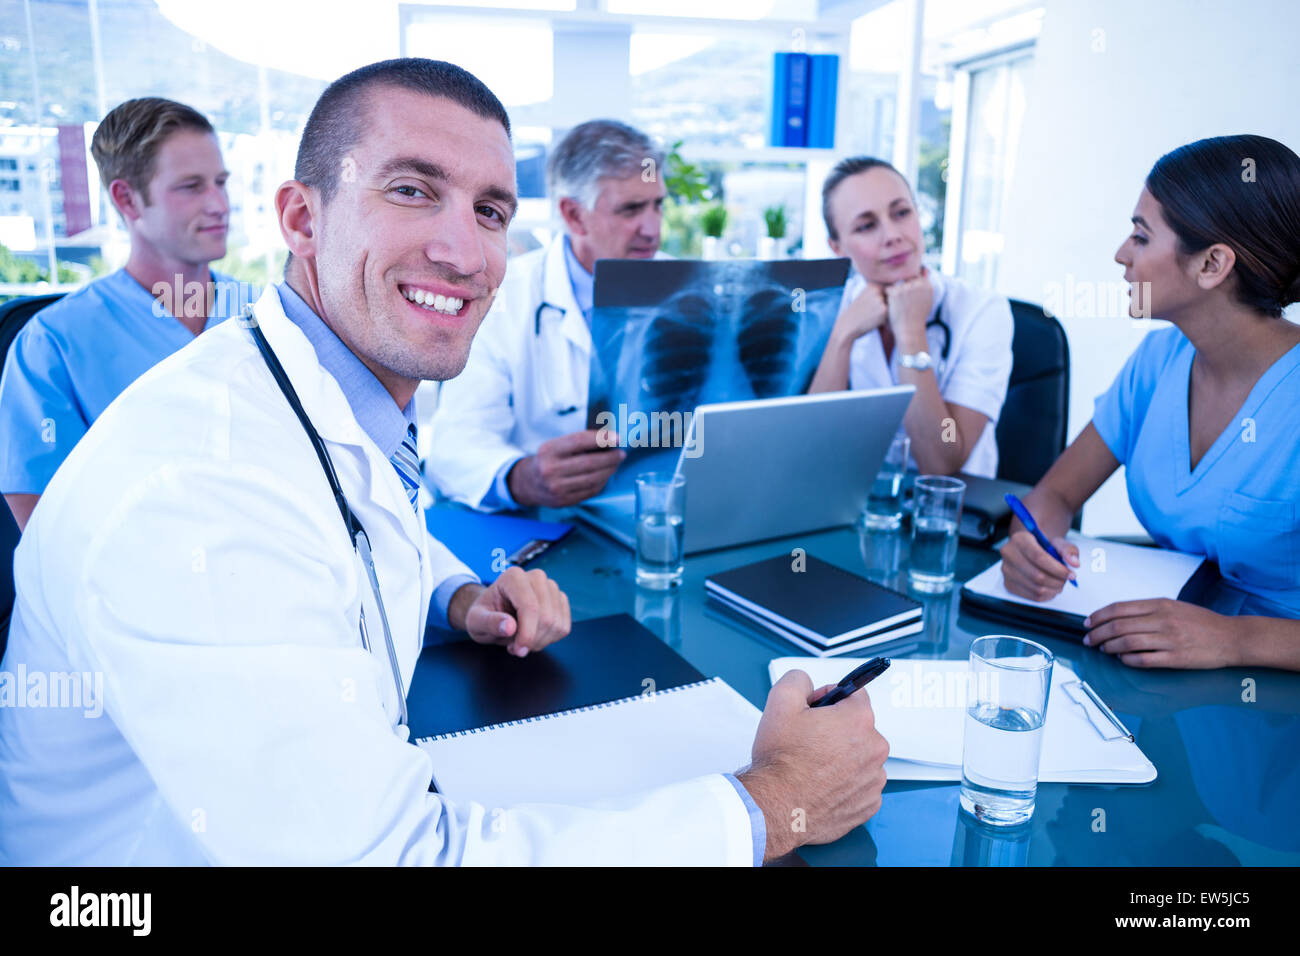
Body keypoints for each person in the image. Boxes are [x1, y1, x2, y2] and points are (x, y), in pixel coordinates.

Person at [0, 59, 889, 865]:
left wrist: (454, 595)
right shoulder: (198, 489)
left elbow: (346, 518)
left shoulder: (315, 391)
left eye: (491, 211)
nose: (465, 254)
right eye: (413, 191)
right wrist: (775, 807)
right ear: (303, 219)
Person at [1000, 134, 1300, 671]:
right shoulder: (1159, 359)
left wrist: (1235, 640)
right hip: (1159, 663)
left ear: (1212, 264)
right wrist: (1032, 543)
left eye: (1141, 236)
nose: (1121, 254)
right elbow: (1056, 493)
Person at [0, 97, 256, 531]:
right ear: (128, 199)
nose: (219, 204)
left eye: (220, 181)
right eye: (192, 186)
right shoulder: (53, 343)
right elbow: (48, 528)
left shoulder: (266, 316)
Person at [425, 119, 676, 509]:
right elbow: (455, 445)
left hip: (670, 513)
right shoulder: (502, 297)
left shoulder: (688, 290)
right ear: (574, 216)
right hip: (549, 523)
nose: (652, 229)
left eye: (658, 205)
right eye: (631, 209)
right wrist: (523, 477)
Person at [808, 157, 1013, 477]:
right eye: (866, 226)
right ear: (837, 247)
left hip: (946, 516)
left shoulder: (982, 311)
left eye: (901, 213)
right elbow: (812, 447)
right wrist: (842, 337)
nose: (892, 235)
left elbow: (943, 460)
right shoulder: (829, 307)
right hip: (851, 507)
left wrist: (911, 336)